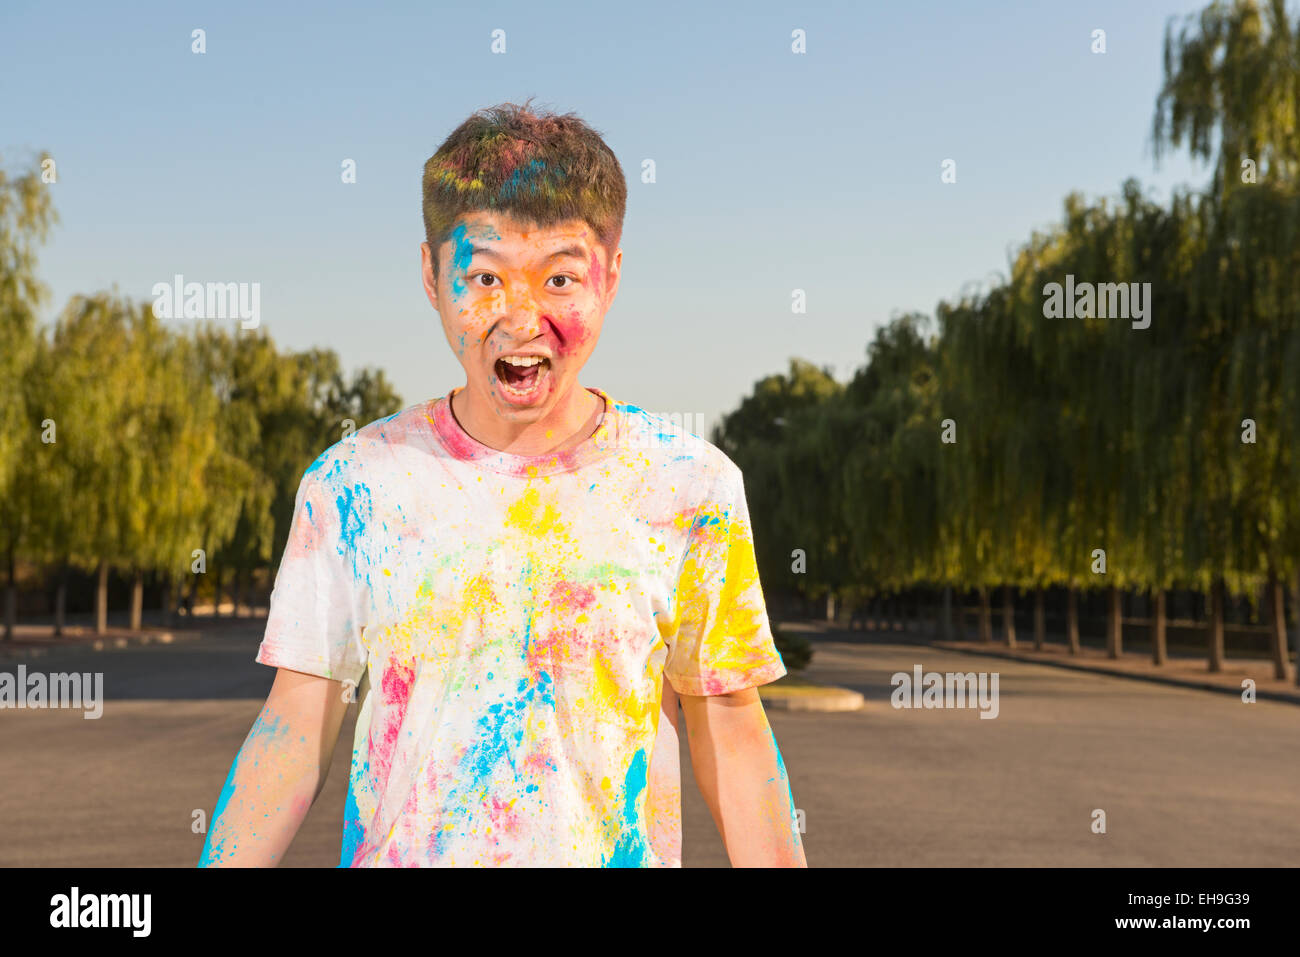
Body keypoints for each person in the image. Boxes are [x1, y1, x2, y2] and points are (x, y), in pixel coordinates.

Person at [198, 99, 806, 868]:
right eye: (483, 275)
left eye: (559, 277)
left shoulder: (689, 489)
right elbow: (294, 725)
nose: (521, 318)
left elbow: (734, 730)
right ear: (431, 274)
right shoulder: (354, 486)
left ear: (610, 277)